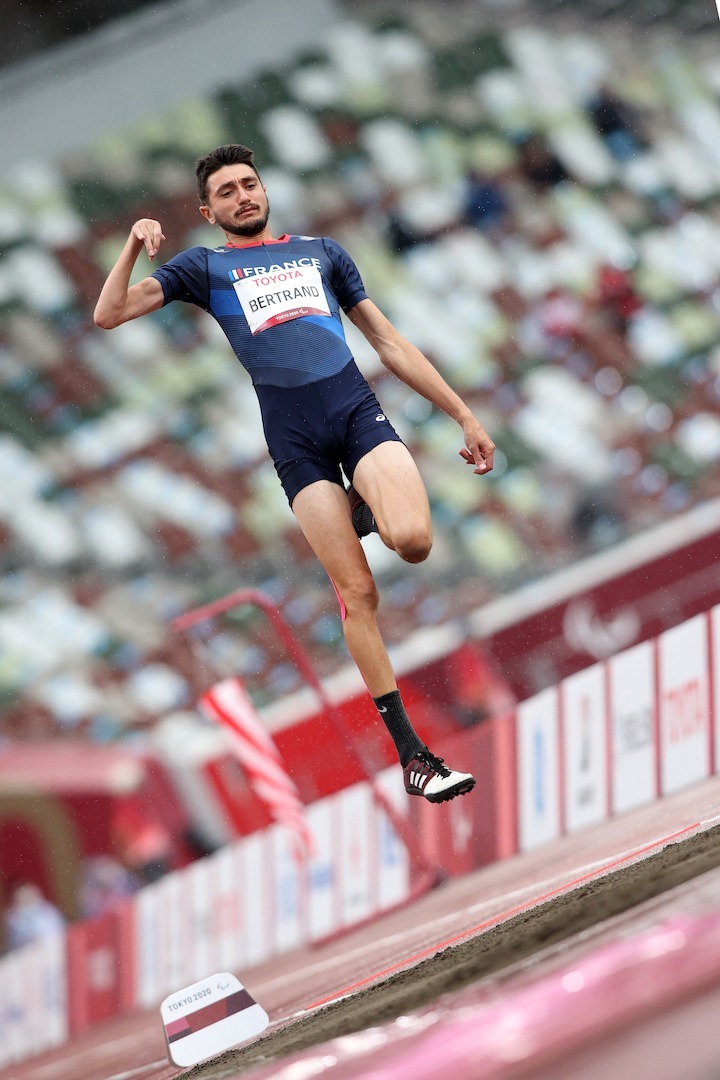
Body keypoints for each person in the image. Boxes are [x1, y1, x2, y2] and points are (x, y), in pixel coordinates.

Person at [94, 144, 496, 803]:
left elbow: (389, 342)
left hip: (355, 412)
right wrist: (134, 246)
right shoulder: (205, 266)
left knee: (416, 543)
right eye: (226, 192)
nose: (242, 196)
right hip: (296, 444)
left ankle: (362, 507)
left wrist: (462, 414)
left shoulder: (323, 253)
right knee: (358, 593)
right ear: (209, 210)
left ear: (265, 190)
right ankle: (415, 758)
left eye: (249, 184)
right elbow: (108, 314)